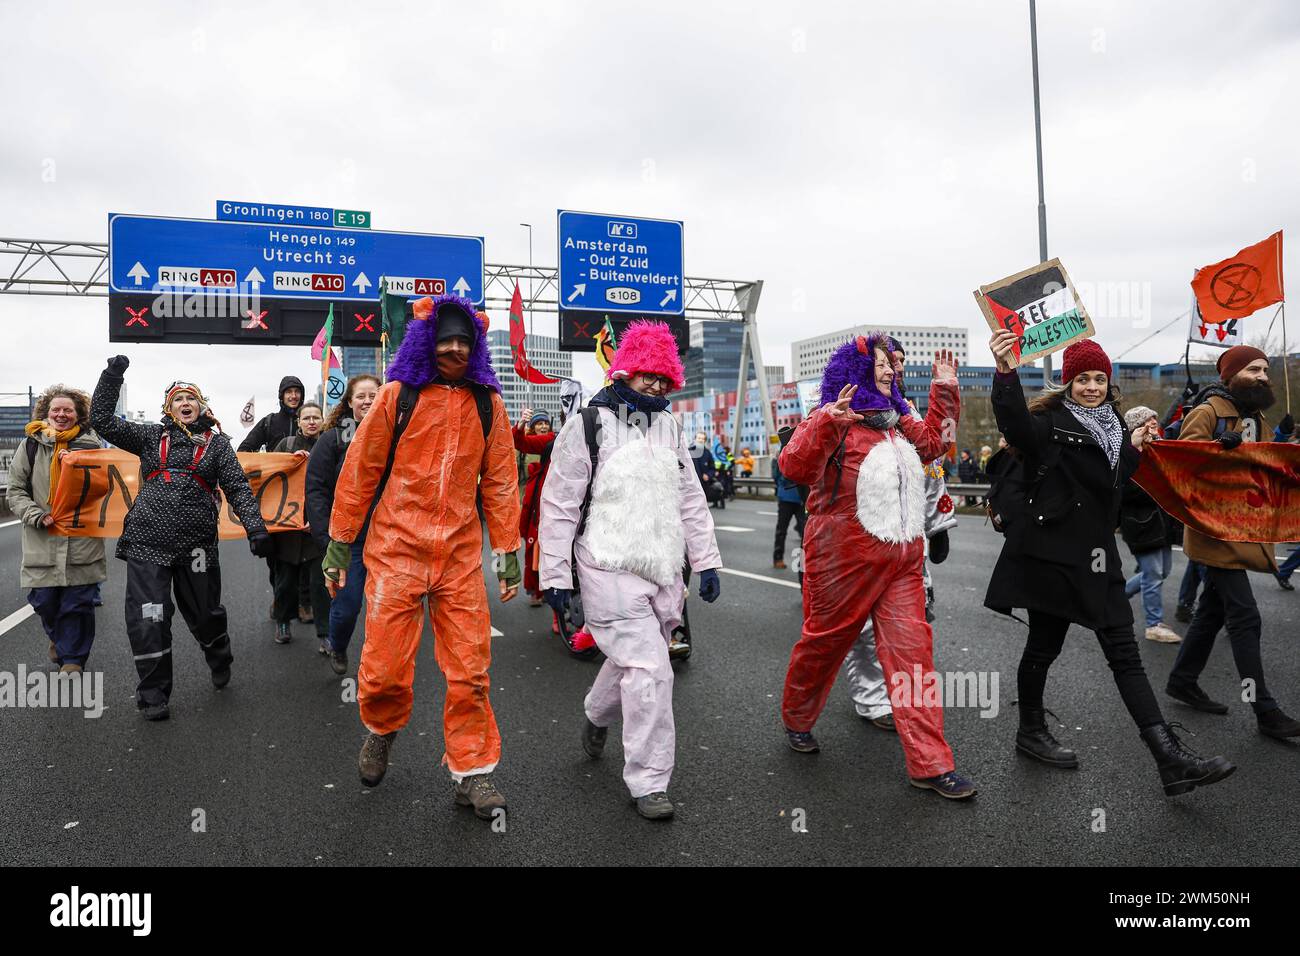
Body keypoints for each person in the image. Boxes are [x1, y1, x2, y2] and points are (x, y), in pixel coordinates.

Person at [985, 332, 1234, 795]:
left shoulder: (1114, 426)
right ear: (1068, 382)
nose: (1093, 386)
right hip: (1053, 558)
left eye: (1100, 378)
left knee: (1124, 654)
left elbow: (1116, 490)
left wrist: (1137, 449)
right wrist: (1005, 371)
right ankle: (1031, 732)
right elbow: (1016, 425)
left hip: (1099, 560)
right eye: (1083, 379)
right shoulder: (1050, 421)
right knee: (1043, 649)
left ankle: (1168, 757)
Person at [323, 294, 521, 820]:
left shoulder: (489, 403)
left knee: (471, 671)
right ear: (426, 343)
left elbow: (501, 480)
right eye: (445, 340)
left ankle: (473, 772)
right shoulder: (398, 395)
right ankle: (382, 730)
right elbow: (359, 470)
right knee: (385, 666)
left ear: (476, 345)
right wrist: (340, 542)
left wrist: (506, 550)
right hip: (395, 549)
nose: (454, 348)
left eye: (464, 340)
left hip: (459, 555)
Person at [779, 333, 976, 799]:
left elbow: (935, 446)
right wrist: (827, 422)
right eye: (882, 364)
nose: (891, 370)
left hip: (902, 561)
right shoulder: (833, 417)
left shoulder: (899, 419)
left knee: (914, 660)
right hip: (840, 561)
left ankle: (931, 764)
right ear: (857, 372)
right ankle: (797, 717)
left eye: (892, 364)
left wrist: (944, 392)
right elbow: (794, 468)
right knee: (824, 645)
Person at [539, 320, 722, 820]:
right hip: (605, 565)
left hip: (663, 568)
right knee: (650, 669)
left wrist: (704, 561)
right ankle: (649, 780)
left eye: (665, 378)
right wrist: (554, 576)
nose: (657, 386)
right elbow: (558, 503)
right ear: (627, 369)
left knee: (632, 661)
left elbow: (690, 497)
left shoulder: (669, 425)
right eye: (649, 375)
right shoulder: (588, 425)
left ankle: (596, 715)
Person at [91, 356, 273, 721]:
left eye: (191, 398)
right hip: (147, 543)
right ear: (168, 408)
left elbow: (237, 487)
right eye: (177, 399)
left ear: (202, 405)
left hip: (197, 548)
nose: (185, 403)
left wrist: (256, 527)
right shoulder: (147, 436)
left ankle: (218, 654)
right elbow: (101, 420)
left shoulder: (218, 445)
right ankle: (153, 694)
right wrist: (112, 377)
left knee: (205, 614)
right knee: (149, 618)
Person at [1165, 345, 1300, 739]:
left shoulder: (1254, 415)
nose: (1264, 376)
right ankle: (1265, 710)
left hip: (1243, 526)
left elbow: (1257, 464)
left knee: (1211, 611)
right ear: (1231, 375)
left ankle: (1182, 680)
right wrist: (1215, 452)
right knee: (1245, 615)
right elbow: (1183, 464)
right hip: (1215, 531)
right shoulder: (1208, 412)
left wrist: (1282, 439)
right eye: (1255, 370)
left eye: (1265, 369)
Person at [841, 336, 958, 729]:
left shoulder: (905, 409)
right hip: (865, 537)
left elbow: (935, 454)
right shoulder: (848, 408)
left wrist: (937, 525)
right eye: (888, 362)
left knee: (910, 624)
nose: (896, 368)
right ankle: (871, 698)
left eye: (900, 362)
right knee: (865, 626)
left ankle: (903, 697)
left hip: (910, 537)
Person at [6, 385, 106, 673]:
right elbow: (14, 489)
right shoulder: (31, 445)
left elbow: (105, 488)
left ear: (78, 414)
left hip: (81, 538)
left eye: (68, 410)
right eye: (56, 410)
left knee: (78, 603)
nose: (61, 414)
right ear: (46, 414)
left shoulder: (92, 445)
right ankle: (58, 639)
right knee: (44, 601)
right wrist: (36, 514)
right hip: (42, 537)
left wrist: (76, 469)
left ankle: (73, 658)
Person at [305, 374, 379, 675]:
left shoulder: (397, 438)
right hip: (349, 543)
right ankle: (337, 643)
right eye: (361, 396)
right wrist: (327, 539)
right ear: (349, 402)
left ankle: (381, 667)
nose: (368, 401)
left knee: (390, 609)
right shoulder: (331, 439)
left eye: (374, 395)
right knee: (347, 606)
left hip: (390, 538)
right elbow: (316, 490)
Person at [1118, 405, 1181, 644]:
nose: (1155, 425)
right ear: (1137, 427)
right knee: (1153, 575)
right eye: (1149, 422)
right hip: (1140, 525)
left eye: (1155, 421)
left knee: (1160, 572)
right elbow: (1124, 491)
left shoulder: (1158, 451)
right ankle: (1153, 625)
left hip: (1161, 525)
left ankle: (1116, 596)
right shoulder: (1129, 454)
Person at [269, 401, 328, 646]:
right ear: (299, 422)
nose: (312, 421)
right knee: (285, 582)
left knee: (321, 584)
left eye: (316, 417)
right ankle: (283, 622)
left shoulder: (330, 444)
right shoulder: (287, 444)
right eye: (307, 418)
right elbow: (270, 476)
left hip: (317, 527)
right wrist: (288, 461)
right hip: (288, 528)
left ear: (323, 421)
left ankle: (326, 635)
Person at [514, 408, 556, 609]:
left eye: (545, 423)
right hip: (530, 502)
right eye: (538, 423)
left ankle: (547, 590)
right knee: (533, 549)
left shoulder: (553, 440)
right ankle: (536, 590)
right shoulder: (531, 444)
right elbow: (519, 443)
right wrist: (521, 424)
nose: (543, 426)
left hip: (549, 501)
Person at [771, 445, 806, 569]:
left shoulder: (803, 453)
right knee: (782, 529)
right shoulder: (782, 456)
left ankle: (803, 563)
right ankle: (778, 558)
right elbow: (776, 476)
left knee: (805, 532)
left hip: (801, 498)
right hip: (787, 497)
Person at [689, 431, 724, 508]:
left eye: (702, 438)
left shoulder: (707, 453)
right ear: (695, 439)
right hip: (691, 484)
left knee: (702, 507)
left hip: (704, 484)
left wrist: (708, 475)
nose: (700, 440)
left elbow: (712, 468)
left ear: (705, 441)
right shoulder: (688, 451)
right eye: (698, 438)